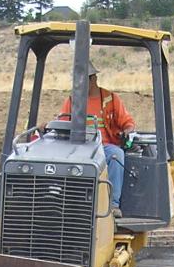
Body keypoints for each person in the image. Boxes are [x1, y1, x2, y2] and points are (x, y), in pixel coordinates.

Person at [57, 61, 135, 217]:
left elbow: (128, 123)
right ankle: (69, 205)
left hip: (104, 147)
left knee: (116, 155)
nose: (78, 84)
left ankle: (112, 205)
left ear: (92, 79)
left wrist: (127, 131)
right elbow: (62, 123)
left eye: (81, 79)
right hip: (79, 148)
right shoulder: (73, 101)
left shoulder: (110, 99)